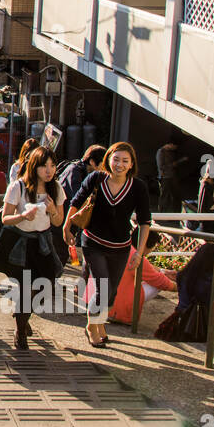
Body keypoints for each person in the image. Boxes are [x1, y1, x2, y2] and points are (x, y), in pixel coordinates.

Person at [64, 141, 153, 349]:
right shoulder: (96, 178)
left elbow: (145, 221)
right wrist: (67, 227)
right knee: (103, 286)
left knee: (111, 292)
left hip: (121, 246)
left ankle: (99, 323)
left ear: (131, 164)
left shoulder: (138, 187)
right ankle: (92, 326)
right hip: (93, 241)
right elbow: (76, 201)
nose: (119, 164)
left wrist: (139, 253)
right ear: (108, 160)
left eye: (125, 161)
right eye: (116, 159)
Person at [0, 146, 66, 350]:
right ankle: (20, 331)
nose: (49, 170)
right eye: (44, 166)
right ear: (34, 166)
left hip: (42, 242)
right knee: (26, 288)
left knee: (43, 285)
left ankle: (21, 315)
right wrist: (23, 216)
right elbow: (5, 218)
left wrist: (52, 210)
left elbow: (58, 222)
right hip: (19, 241)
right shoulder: (18, 187)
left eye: (52, 166)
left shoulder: (56, 188)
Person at [108, 247, 177, 326]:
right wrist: (179, 287)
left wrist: (164, 271)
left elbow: (148, 268)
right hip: (120, 308)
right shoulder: (135, 256)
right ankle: (123, 312)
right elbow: (159, 281)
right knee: (157, 283)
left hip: (104, 303)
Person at [156, 134, 187, 216]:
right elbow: (161, 167)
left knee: (176, 195)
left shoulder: (171, 152)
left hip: (172, 176)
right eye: (174, 147)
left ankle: (176, 214)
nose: (175, 148)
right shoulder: (161, 152)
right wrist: (176, 163)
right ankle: (161, 214)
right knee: (165, 196)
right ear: (171, 144)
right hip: (165, 177)